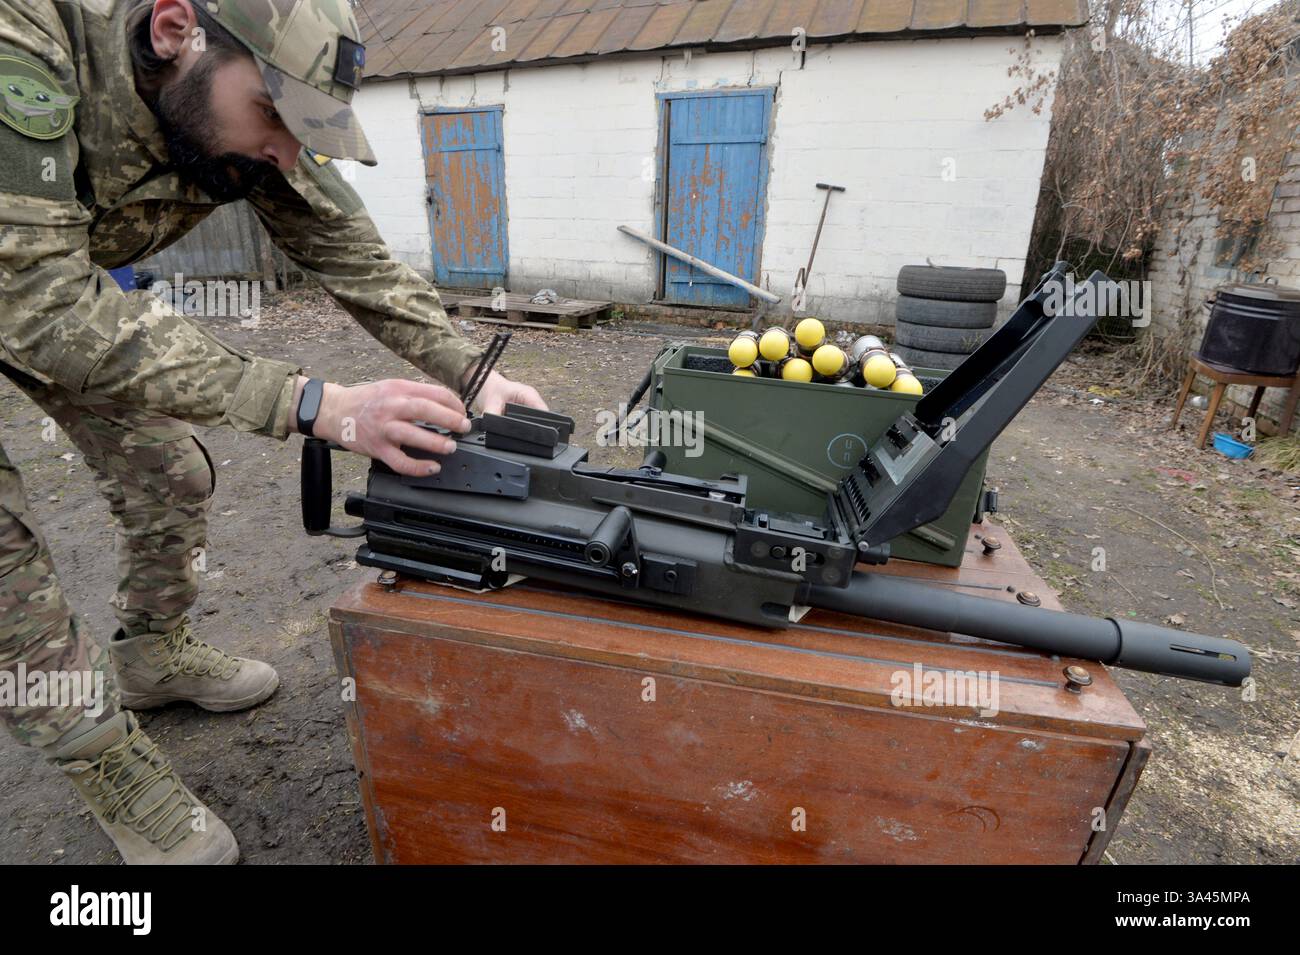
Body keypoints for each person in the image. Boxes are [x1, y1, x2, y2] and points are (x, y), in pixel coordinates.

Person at [0, 0, 545, 864]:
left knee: (170, 471)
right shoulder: (25, 39)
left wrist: (476, 375)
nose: (287, 152)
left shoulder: (244, 105)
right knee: (7, 559)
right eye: (275, 118)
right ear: (176, 29)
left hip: (55, 294)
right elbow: (36, 304)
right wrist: (313, 401)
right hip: (34, 291)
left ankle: (151, 651)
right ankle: (98, 754)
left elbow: (347, 249)